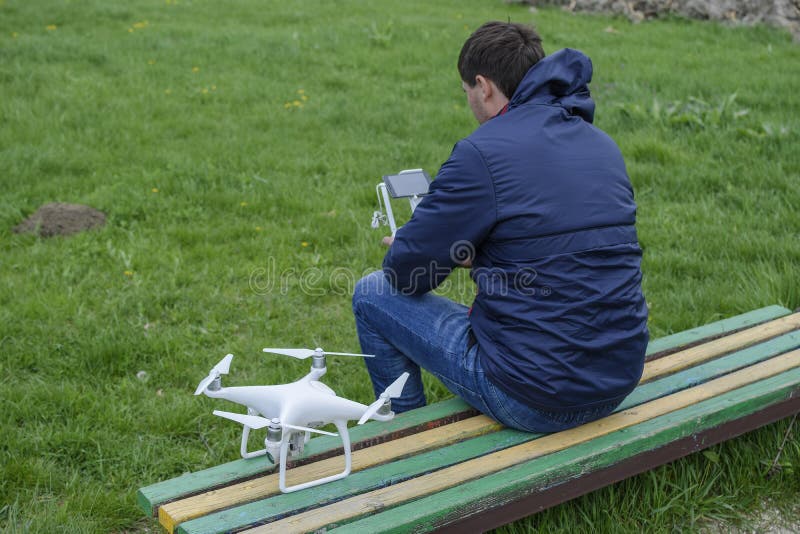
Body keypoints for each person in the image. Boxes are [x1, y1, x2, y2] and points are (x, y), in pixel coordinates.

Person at [352, 21, 649, 433]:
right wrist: (484, 251)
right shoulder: (601, 144)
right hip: (617, 379)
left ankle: (403, 440)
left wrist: (414, 243)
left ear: (483, 86)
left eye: (466, 93)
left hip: (534, 399)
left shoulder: (482, 153)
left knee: (372, 293)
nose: (469, 103)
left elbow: (406, 274)